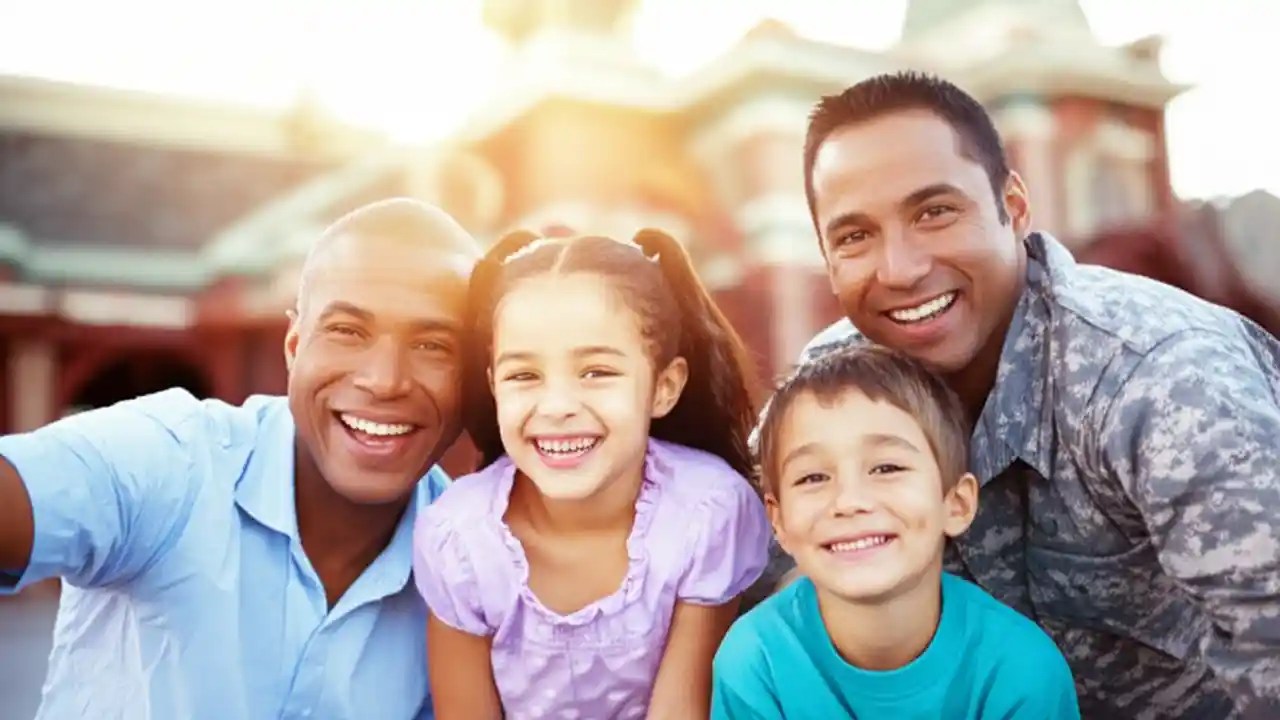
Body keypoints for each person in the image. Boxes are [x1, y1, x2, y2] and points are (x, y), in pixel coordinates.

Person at [764, 69, 1280, 718]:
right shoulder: (828, 394)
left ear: (1013, 207)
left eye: (934, 212)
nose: (900, 269)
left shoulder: (1158, 376)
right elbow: (733, 570)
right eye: (855, 236)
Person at [0, 198, 480, 719]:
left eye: (434, 346)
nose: (385, 380)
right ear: (294, 347)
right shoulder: (172, 459)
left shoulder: (476, 565)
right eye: (347, 331)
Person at [412, 229, 771, 719]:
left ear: (664, 387)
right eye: (524, 375)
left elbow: (681, 710)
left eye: (596, 372)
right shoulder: (459, 539)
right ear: (495, 386)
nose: (557, 406)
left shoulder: (706, 514)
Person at [713, 345, 1079, 718]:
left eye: (887, 468)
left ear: (956, 503)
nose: (849, 501)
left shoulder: (1020, 671)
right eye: (813, 477)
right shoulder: (756, 662)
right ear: (778, 522)